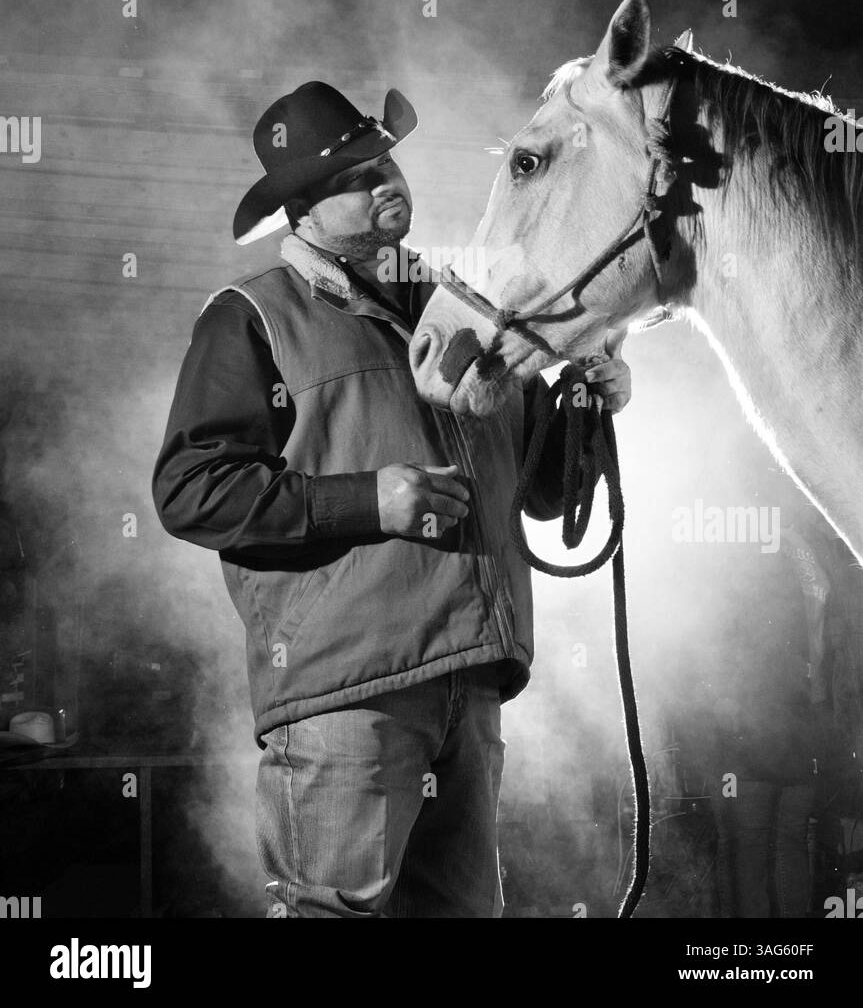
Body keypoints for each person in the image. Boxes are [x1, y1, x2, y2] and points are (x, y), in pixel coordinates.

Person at [152, 80, 631, 918]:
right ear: (299, 209)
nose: (384, 183)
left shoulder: (467, 309)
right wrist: (368, 501)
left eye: (383, 162)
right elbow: (192, 491)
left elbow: (543, 494)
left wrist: (582, 406)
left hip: (471, 678)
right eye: (351, 177)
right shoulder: (251, 317)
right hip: (349, 692)